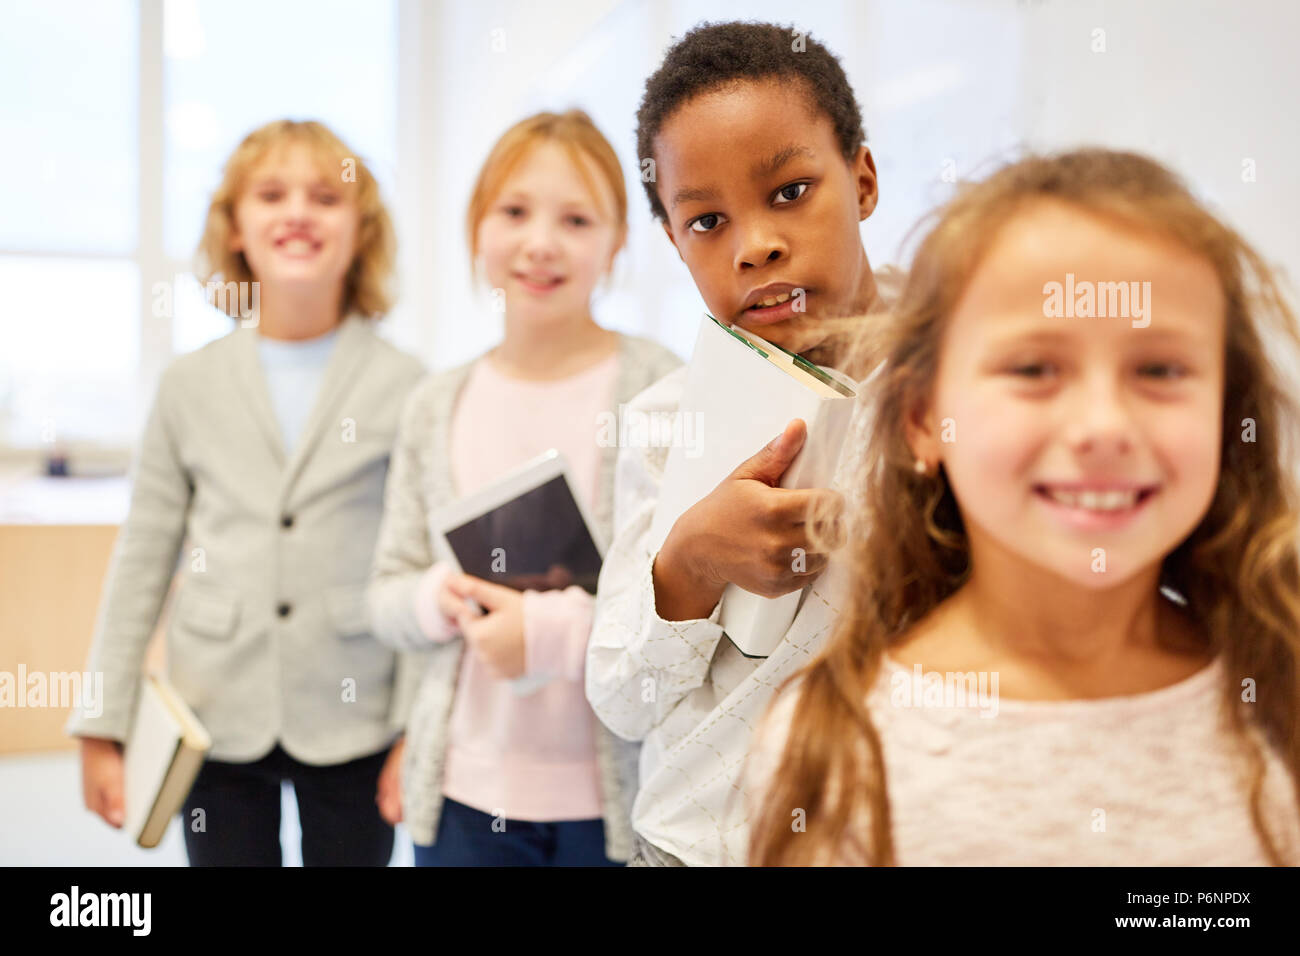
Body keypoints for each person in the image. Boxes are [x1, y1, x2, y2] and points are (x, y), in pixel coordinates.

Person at [747, 148, 1300, 866]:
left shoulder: (1278, 702)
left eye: (1159, 370)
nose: (1103, 426)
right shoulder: (839, 751)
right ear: (922, 418)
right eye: (1035, 369)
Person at [585, 20, 904, 866]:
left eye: (791, 191)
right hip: (700, 845)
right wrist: (692, 560)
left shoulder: (959, 388)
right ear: (673, 243)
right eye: (708, 220)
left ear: (862, 180)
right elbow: (622, 698)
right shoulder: (664, 423)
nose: (754, 244)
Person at [72, 119, 425, 866]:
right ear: (234, 226)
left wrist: (416, 727)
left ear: (360, 228)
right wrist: (102, 722)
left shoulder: (410, 386)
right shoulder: (188, 385)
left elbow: (420, 562)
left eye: (325, 196)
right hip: (213, 714)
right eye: (271, 194)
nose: (297, 211)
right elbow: (143, 556)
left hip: (356, 714)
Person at [367, 110, 680, 866]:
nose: (541, 242)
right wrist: (433, 598)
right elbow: (384, 593)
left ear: (616, 244)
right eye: (513, 212)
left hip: (624, 798)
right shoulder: (434, 405)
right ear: (477, 230)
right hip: (467, 797)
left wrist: (549, 633)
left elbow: (684, 610)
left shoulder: (662, 389)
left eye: (576, 219)